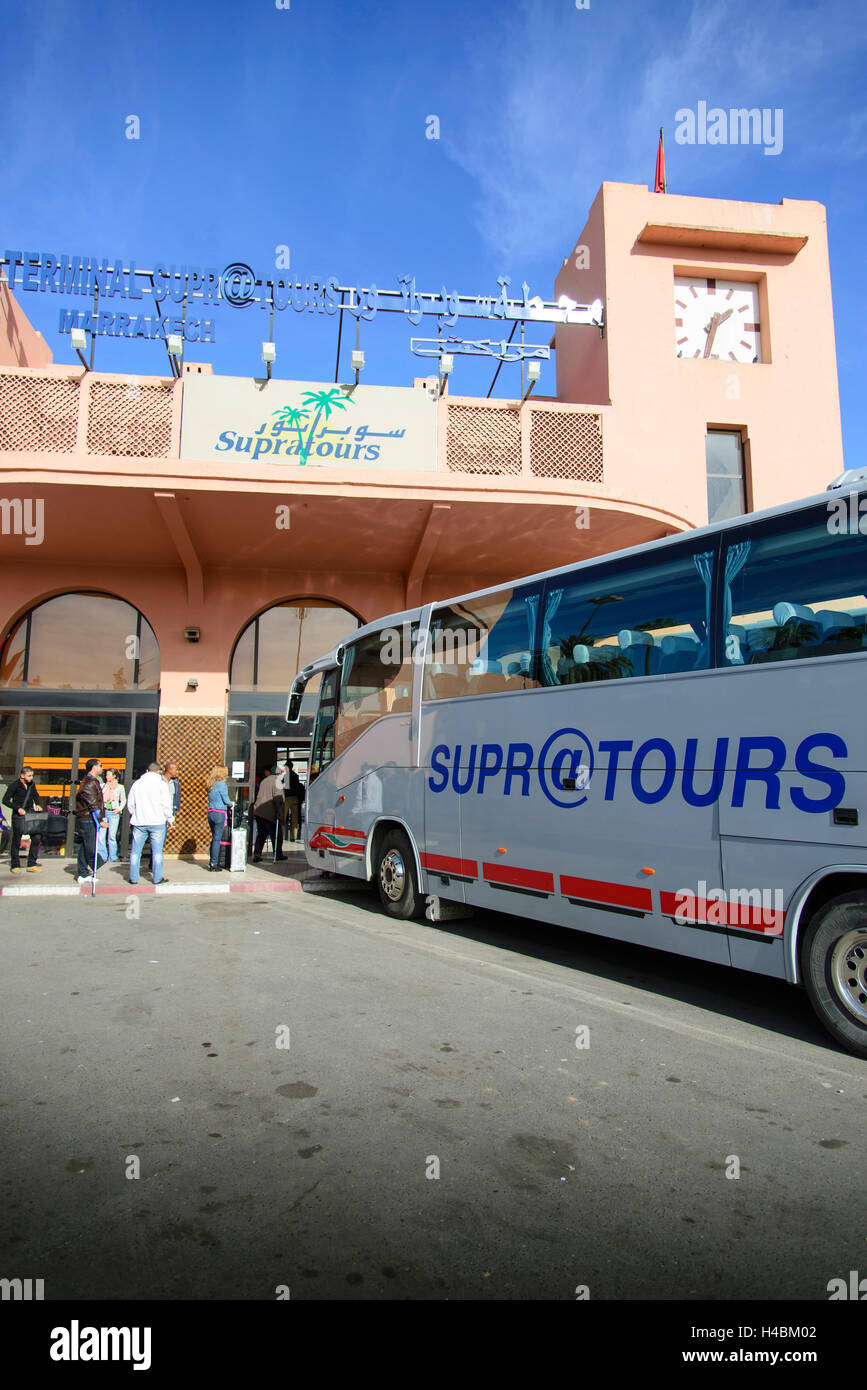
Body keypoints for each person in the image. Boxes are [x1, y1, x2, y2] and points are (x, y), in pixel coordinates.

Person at [127, 762, 174, 885]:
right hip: (157, 821)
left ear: (147, 771)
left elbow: (130, 804)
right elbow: (166, 804)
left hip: (139, 821)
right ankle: (157, 878)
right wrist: (169, 818)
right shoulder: (161, 784)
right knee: (157, 851)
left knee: (136, 851)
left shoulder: (137, 784)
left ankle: (133, 878)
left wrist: (135, 814)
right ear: (159, 771)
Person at [4, 766, 44, 873]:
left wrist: (38, 804)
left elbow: (35, 795)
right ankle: (15, 865)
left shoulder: (32, 784)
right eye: (29, 776)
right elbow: (5, 800)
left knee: (36, 837)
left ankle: (31, 864)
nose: (31, 778)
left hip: (30, 813)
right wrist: (17, 808)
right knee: (17, 839)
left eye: (32, 775)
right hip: (19, 815)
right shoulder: (15, 785)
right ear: (22, 775)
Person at [75, 758, 107, 885]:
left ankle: (82, 873)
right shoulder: (89, 783)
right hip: (88, 819)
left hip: (89, 819)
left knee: (84, 846)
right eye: (100, 765)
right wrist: (100, 820)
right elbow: (93, 804)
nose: (102, 768)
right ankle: (97, 863)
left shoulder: (93, 781)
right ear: (94, 767)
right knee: (90, 846)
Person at [252, 765, 285, 861]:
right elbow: (278, 798)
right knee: (277, 834)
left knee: (261, 834)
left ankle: (257, 855)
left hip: (259, 811)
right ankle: (278, 854)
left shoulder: (264, 780)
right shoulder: (277, 781)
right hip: (269, 813)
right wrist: (279, 813)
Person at [206, 766, 231, 871]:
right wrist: (231, 804)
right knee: (217, 839)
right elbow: (226, 799)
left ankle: (212, 859)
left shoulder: (211, 784)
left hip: (211, 812)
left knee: (214, 838)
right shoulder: (221, 784)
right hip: (219, 813)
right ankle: (214, 864)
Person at [102, 768, 127, 861]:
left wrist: (119, 809)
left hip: (113, 813)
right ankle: (102, 856)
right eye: (106, 775)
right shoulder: (104, 786)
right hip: (104, 811)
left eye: (109, 775)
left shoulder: (120, 787)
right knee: (101, 835)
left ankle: (112, 857)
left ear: (114, 776)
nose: (106, 776)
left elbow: (123, 800)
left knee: (112, 836)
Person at [281, 763, 305, 843]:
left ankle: (282, 835)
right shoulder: (296, 776)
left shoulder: (286, 776)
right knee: (294, 818)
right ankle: (293, 837)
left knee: (283, 818)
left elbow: (284, 786)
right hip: (295, 798)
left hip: (287, 798)